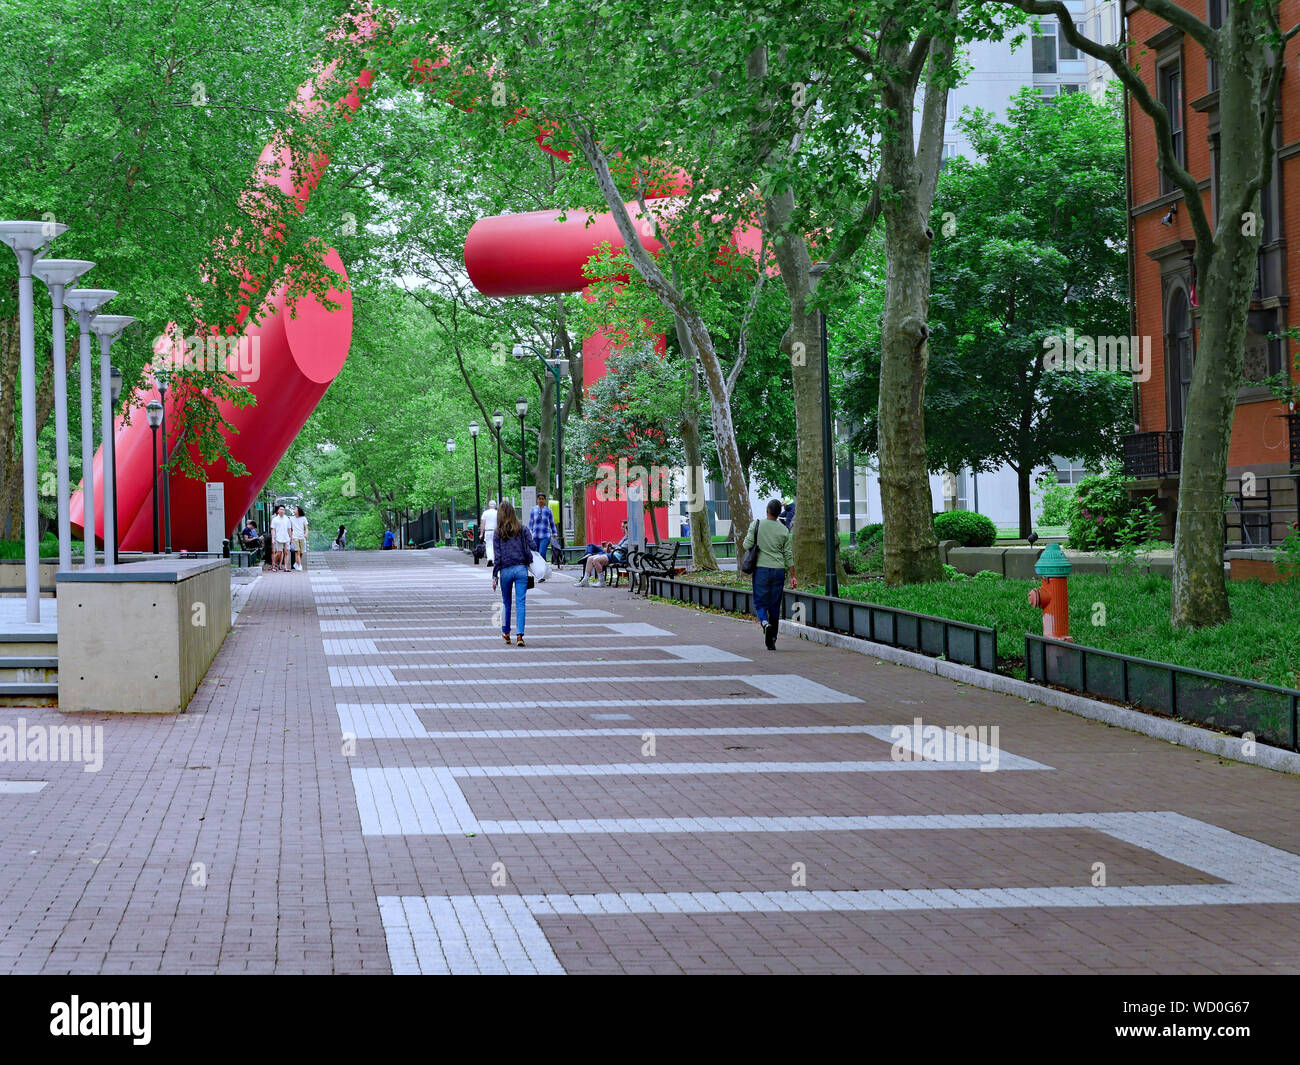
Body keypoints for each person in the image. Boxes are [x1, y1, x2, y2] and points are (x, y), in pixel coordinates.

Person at [742, 498, 797, 650]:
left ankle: (765, 623)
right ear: (779, 513)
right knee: (774, 605)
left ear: (767, 510)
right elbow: (788, 554)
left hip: (761, 570)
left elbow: (746, 545)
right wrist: (793, 576)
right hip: (779, 570)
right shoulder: (783, 530)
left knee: (760, 601)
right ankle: (772, 639)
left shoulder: (757, 524)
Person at [491, 500, 535, 646]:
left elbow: (497, 557)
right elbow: (533, 545)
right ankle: (520, 636)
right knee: (521, 602)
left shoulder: (498, 532)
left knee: (506, 602)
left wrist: (494, 576)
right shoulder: (522, 528)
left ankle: (506, 632)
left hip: (505, 571)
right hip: (521, 569)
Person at [578, 521, 629, 587]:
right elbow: (620, 548)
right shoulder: (625, 537)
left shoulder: (629, 538)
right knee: (590, 558)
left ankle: (601, 581)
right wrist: (612, 547)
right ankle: (585, 580)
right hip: (614, 553)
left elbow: (622, 550)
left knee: (596, 560)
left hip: (618, 556)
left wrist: (612, 548)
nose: (622, 529)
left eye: (624, 527)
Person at [528, 492, 558, 578]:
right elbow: (531, 523)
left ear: (545, 500)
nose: (541, 500)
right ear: (537, 500)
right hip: (535, 536)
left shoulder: (548, 510)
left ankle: (543, 574)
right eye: (539, 499)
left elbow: (552, 523)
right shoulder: (533, 510)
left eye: (542, 499)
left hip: (545, 535)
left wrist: (554, 533)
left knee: (542, 553)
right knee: (536, 554)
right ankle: (538, 572)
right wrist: (529, 534)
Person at [269, 505, 292, 572]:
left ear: (284, 511)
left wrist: (291, 538)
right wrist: (273, 538)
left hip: (286, 538)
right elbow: (273, 530)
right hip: (278, 538)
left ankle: (285, 567)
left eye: (283, 509)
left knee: (287, 552)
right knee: (279, 552)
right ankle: (274, 564)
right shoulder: (275, 519)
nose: (282, 511)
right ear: (278, 511)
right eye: (281, 509)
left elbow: (289, 529)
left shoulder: (287, 519)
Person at [290, 505, 308, 572]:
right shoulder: (291, 518)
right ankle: (300, 565)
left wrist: (306, 534)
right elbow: (290, 529)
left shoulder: (304, 518)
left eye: (295, 509)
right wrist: (291, 537)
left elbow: (306, 528)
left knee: (301, 552)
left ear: (298, 510)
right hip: (295, 537)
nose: (294, 510)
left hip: (302, 537)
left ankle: (297, 563)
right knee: (297, 552)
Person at [480, 499, 498, 564]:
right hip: (496, 531)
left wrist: (481, 533)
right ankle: (494, 559)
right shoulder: (497, 513)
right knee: (495, 545)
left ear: (489, 506)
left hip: (488, 531)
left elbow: (483, 524)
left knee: (488, 545)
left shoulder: (485, 513)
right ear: (495, 505)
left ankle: (490, 558)